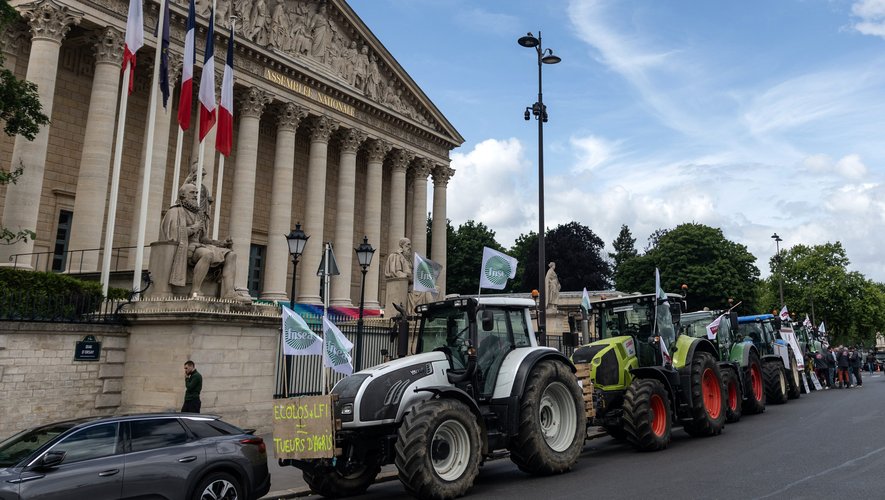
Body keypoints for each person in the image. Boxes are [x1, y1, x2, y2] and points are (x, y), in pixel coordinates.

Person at [161, 183, 239, 299]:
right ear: (182, 195)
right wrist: (194, 228)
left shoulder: (198, 214)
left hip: (199, 246)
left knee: (231, 255)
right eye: (192, 193)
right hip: (184, 248)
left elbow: (203, 239)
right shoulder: (175, 211)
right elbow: (172, 234)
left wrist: (221, 243)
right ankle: (195, 291)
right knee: (207, 254)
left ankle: (229, 293)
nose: (195, 195)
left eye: (196, 193)